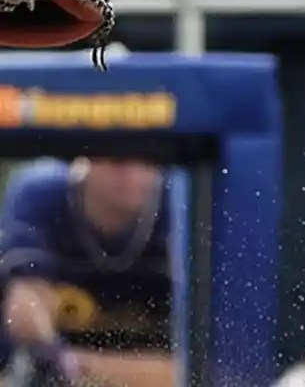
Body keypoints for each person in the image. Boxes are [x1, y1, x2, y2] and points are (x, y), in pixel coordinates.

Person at [0, 158, 174, 387]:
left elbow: (187, 372)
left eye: (145, 159)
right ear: (89, 154)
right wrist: (52, 355)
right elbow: (23, 305)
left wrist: (74, 365)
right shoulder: (43, 192)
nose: (132, 173)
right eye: (118, 160)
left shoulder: (185, 200)